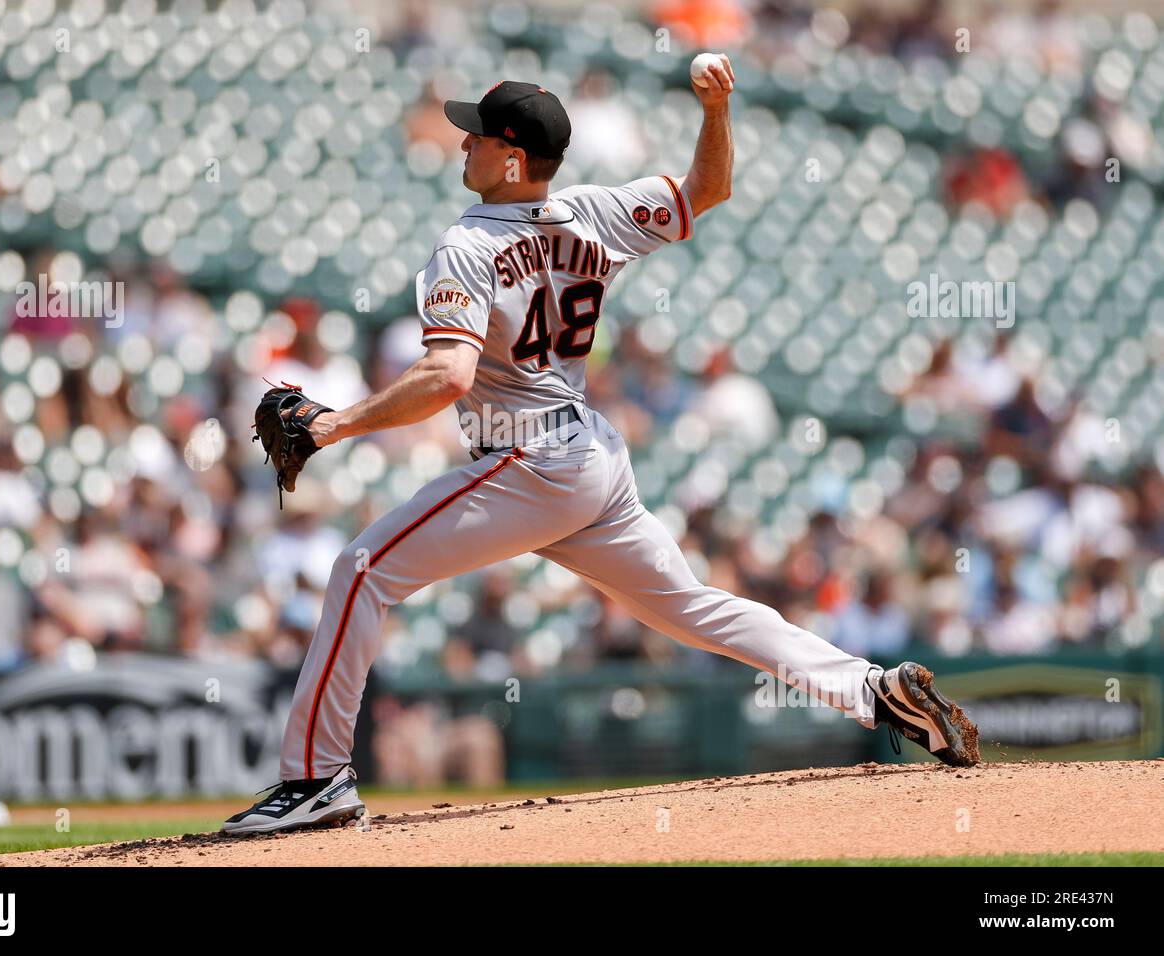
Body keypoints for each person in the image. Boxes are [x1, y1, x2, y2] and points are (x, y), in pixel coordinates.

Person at [224, 61, 979, 834]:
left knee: (361, 571)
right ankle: (872, 689)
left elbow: (449, 375)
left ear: (512, 158)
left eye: (477, 137)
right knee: (691, 608)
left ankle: (316, 778)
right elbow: (707, 190)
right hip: (588, 457)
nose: (464, 146)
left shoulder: (467, 243)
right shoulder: (593, 213)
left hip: (527, 460)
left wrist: (332, 424)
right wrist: (717, 111)